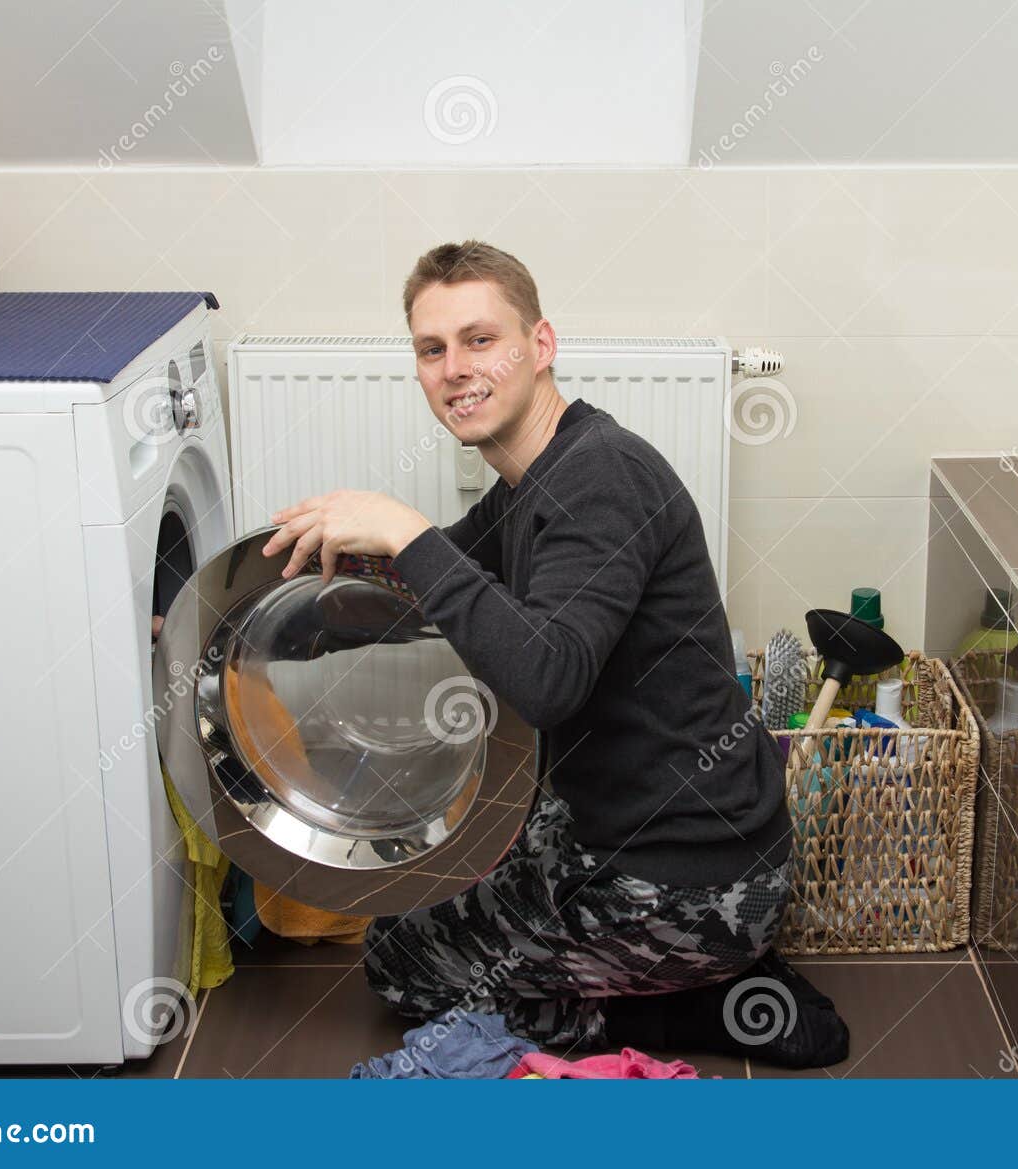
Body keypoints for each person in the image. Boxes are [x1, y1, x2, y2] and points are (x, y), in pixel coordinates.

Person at [261, 240, 847, 1067]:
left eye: (479, 339)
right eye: (433, 349)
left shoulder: (601, 478)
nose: (455, 368)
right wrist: (261, 616)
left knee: (402, 965)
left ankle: (708, 1004)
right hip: (613, 833)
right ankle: (661, 975)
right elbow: (413, 600)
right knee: (409, 915)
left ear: (540, 346)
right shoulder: (532, 484)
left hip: (691, 872)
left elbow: (546, 678)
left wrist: (406, 527)